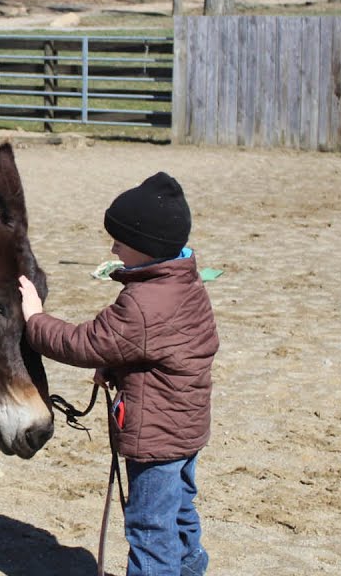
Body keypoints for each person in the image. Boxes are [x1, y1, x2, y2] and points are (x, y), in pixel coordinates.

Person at [17, 172, 218, 576]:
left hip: (157, 437)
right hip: (187, 428)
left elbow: (84, 342)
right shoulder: (185, 282)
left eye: (120, 242)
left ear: (146, 247)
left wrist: (35, 319)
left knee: (148, 526)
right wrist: (117, 363)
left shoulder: (143, 302)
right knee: (180, 509)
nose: (113, 248)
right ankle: (189, 567)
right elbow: (161, 345)